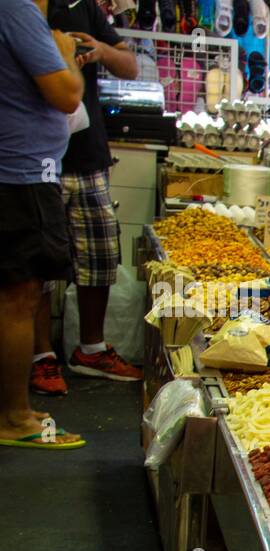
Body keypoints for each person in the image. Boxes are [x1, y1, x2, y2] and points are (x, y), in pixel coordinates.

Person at [28, 0, 139, 396]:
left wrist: (100, 50)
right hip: (38, 158)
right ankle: (40, 357)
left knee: (101, 257)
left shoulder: (81, 7)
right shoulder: (20, 12)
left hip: (87, 155)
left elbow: (129, 65)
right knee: (38, 267)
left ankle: (90, 348)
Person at [1, 0, 84, 448]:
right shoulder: (17, 10)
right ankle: (13, 418)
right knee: (19, 296)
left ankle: (14, 410)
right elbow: (67, 94)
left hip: (21, 174)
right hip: (21, 177)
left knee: (17, 295)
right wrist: (66, 53)